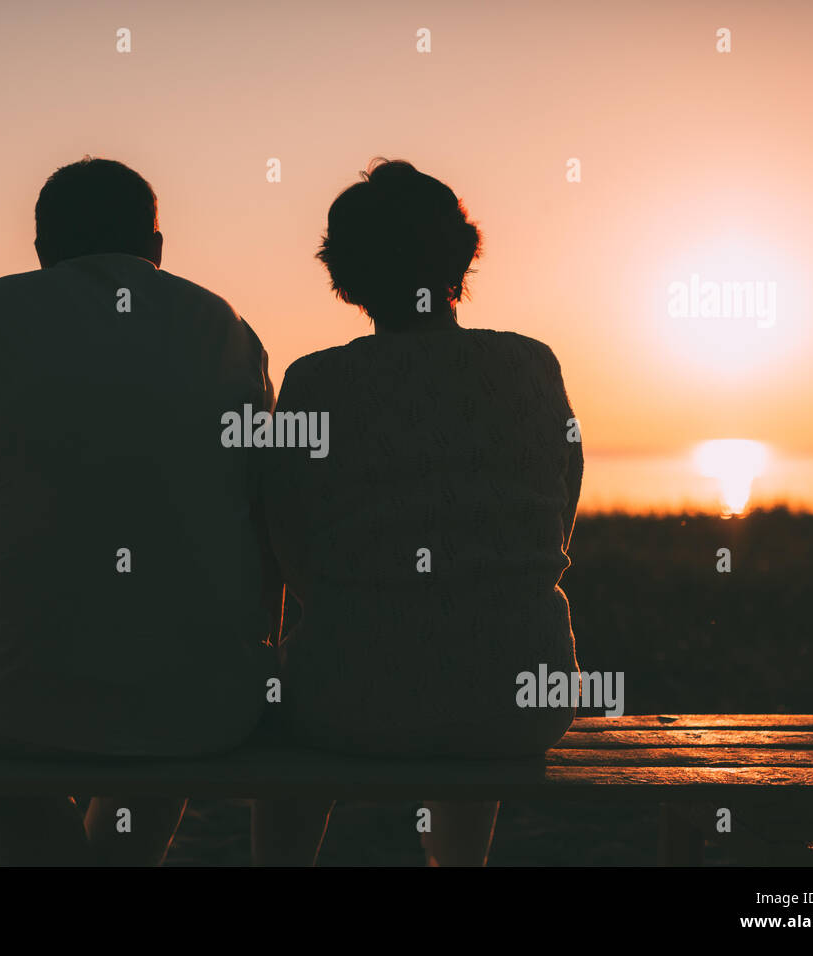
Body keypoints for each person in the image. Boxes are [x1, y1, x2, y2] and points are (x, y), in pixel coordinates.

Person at [0, 156, 277, 865]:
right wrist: (253, 658)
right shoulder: (226, 328)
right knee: (153, 721)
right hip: (203, 705)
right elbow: (265, 521)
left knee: (0, 717)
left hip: (9, 698)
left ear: (43, 252)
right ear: (158, 251)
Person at [252, 159, 583, 866]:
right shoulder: (533, 367)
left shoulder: (313, 383)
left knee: (287, 704)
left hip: (348, 704)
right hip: (522, 703)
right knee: (478, 630)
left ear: (343, 275)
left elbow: (284, 547)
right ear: (464, 255)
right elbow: (557, 523)